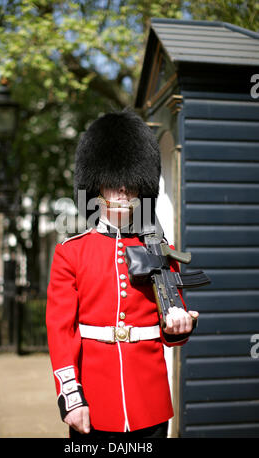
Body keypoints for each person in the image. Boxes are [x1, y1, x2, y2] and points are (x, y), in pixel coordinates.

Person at [46, 109, 199, 439]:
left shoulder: (159, 247)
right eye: (113, 183)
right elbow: (61, 332)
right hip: (94, 404)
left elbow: (174, 329)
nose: (122, 191)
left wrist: (180, 324)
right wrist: (72, 399)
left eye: (130, 183)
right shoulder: (71, 252)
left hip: (151, 402)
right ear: (96, 184)